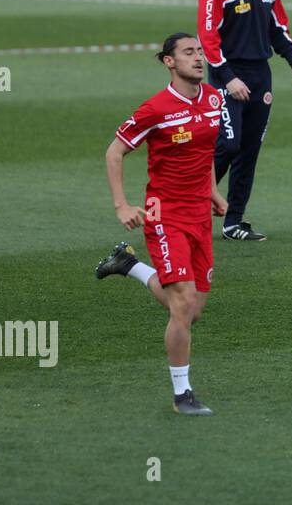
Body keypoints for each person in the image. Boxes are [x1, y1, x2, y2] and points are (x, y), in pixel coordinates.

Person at [95, 33, 227, 415]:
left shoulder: (214, 100)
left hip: (200, 215)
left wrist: (213, 190)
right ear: (169, 62)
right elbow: (115, 151)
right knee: (183, 304)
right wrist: (122, 205)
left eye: (200, 52)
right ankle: (182, 394)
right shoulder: (156, 109)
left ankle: (129, 265)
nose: (198, 59)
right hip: (165, 215)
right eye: (188, 53)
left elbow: (204, 153)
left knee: (194, 310)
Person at [198, 0, 292, 241]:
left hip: (260, 76)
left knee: (249, 150)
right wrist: (228, 78)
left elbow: (278, 27)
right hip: (226, 76)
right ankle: (193, 202)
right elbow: (208, 39)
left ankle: (233, 222)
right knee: (228, 144)